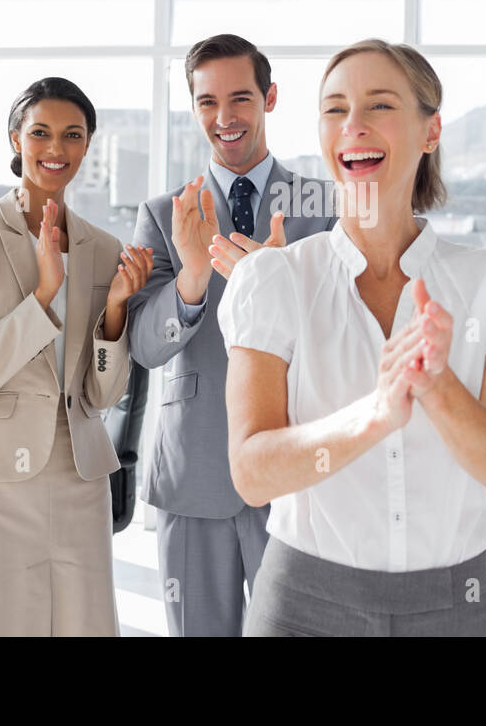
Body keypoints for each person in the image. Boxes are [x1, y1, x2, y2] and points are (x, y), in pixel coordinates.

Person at [218, 39, 486, 636]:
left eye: (380, 105)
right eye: (335, 108)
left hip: (459, 606)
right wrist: (375, 414)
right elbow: (252, 473)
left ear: (431, 130)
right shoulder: (273, 280)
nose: (354, 126)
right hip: (303, 606)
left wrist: (438, 389)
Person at [0, 76, 153, 636]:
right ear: (16, 138)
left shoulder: (104, 247)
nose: (56, 148)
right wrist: (43, 294)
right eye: (40, 132)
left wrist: (115, 312)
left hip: (77, 479)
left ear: (87, 147)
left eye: (73, 135)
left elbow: (104, 394)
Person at [127, 34, 336, 637]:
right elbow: (144, 346)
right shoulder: (164, 214)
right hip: (196, 474)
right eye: (207, 102)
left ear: (270, 98)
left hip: (293, 469)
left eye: (241, 98)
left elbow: (349, 330)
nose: (225, 118)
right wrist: (192, 280)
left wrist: (277, 288)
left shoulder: (323, 207)